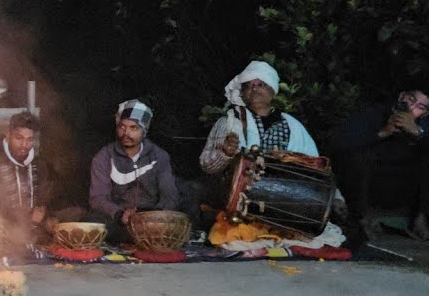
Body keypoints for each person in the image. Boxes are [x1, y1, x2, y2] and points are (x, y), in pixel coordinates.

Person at [333, 90, 429, 240]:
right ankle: (360, 220)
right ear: (401, 97)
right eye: (410, 99)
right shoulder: (373, 113)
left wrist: (417, 132)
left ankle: (421, 221)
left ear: (425, 113)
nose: (411, 107)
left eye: (420, 107)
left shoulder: (426, 124)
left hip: (402, 186)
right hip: (367, 182)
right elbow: (342, 143)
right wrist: (383, 132)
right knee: (357, 155)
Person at [199, 60, 320, 176]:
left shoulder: (292, 126)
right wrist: (225, 153)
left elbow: (315, 165)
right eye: (248, 86)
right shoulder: (227, 123)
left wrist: (288, 158)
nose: (254, 89)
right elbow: (207, 167)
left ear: (272, 91)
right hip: (239, 195)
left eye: (261, 84)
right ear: (242, 92)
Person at [88, 99, 180, 244]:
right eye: (122, 127)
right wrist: (119, 214)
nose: (126, 133)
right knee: (92, 221)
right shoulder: (104, 157)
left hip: (151, 218)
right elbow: (98, 198)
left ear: (144, 130)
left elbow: (169, 195)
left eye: (134, 128)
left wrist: (154, 218)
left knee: (183, 213)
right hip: (119, 219)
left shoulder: (159, 156)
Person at [0, 111, 55, 253]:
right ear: (8, 136)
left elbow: (46, 197)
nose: (24, 145)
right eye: (19, 138)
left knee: (74, 215)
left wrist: (45, 213)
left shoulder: (40, 165)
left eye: (29, 139)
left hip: (33, 228)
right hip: (4, 226)